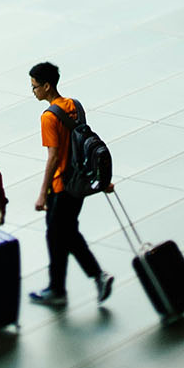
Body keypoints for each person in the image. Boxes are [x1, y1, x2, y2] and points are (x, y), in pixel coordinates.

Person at [28, 62, 115, 308]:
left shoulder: (48, 117)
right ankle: (67, 285)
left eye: (35, 87)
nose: (33, 91)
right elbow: (84, 141)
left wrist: (42, 195)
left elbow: (53, 156)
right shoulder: (74, 106)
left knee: (57, 235)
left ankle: (68, 286)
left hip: (62, 186)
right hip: (79, 183)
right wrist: (101, 180)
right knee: (64, 233)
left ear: (47, 86)